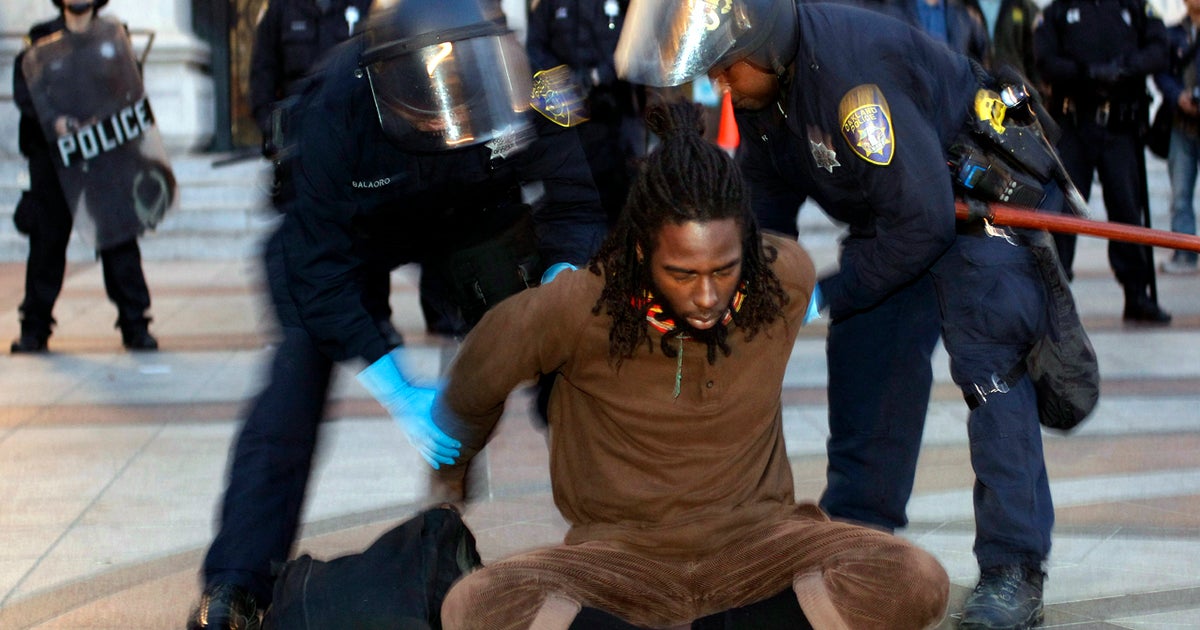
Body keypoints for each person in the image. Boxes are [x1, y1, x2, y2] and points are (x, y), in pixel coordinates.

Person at [615, 1, 1073, 628]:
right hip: (900, 214)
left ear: (764, 43)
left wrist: (827, 292)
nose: (718, 82)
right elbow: (766, 203)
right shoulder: (762, 94)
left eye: (724, 67)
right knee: (866, 357)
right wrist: (739, 287)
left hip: (974, 204)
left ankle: (1014, 569)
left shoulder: (852, 85)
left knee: (990, 366)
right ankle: (857, 539)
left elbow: (926, 220)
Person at [429, 101, 949, 630]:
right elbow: (475, 375)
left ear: (746, 243)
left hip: (762, 548)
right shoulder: (578, 306)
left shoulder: (784, 279)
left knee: (914, 577)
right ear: (639, 252)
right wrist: (453, 469)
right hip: (619, 561)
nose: (706, 295)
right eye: (682, 273)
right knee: (475, 603)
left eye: (724, 269)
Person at [185, 0, 608, 626]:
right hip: (352, 237)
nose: (450, 117)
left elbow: (575, 204)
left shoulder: (533, 78)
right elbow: (318, 272)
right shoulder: (333, 103)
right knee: (294, 382)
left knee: (566, 344)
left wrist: (558, 279)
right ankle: (236, 583)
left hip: (471, 217)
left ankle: (619, 529)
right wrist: (394, 384)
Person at [247, 0, 406, 343]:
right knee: (306, 234)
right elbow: (262, 75)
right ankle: (306, 325)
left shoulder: (365, 7)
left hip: (355, 142)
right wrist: (274, 133)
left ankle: (377, 316)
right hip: (302, 150)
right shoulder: (281, 11)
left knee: (368, 228)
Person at [9, 0, 158, 354]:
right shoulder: (40, 39)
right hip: (54, 156)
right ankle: (35, 328)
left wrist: (100, 120)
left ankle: (135, 324)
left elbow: (130, 89)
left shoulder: (113, 36)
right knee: (46, 243)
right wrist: (55, 121)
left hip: (104, 153)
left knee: (118, 238)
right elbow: (27, 91)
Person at [1035, 0, 1173, 323]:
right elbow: (1045, 60)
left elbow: (1159, 49)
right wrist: (1087, 73)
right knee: (1063, 216)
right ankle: (1053, 298)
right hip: (1075, 126)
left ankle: (1137, 295)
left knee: (1127, 212)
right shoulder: (1058, 9)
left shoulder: (1135, 5)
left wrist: (1124, 67)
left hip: (1120, 129)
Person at [525, 0, 647, 225]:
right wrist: (564, 80)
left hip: (617, 117)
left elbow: (637, 43)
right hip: (571, 122)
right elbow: (534, 49)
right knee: (577, 199)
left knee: (628, 199)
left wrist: (597, 76)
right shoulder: (550, 5)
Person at [1153, 0, 1200, 275]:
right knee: (1181, 194)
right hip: (1182, 124)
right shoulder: (1174, 33)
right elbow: (1161, 73)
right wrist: (1178, 97)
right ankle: (1185, 255)